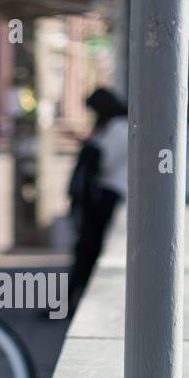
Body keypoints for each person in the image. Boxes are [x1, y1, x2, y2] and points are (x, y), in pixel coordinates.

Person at [68, 87, 129, 313]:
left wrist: (89, 148)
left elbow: (106, 163)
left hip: (107, 194)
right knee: (85, 249)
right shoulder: (113, 126)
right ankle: (70, 298)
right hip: (101, 195)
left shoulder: (118, 127)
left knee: (89, 249)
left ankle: (72, 300)